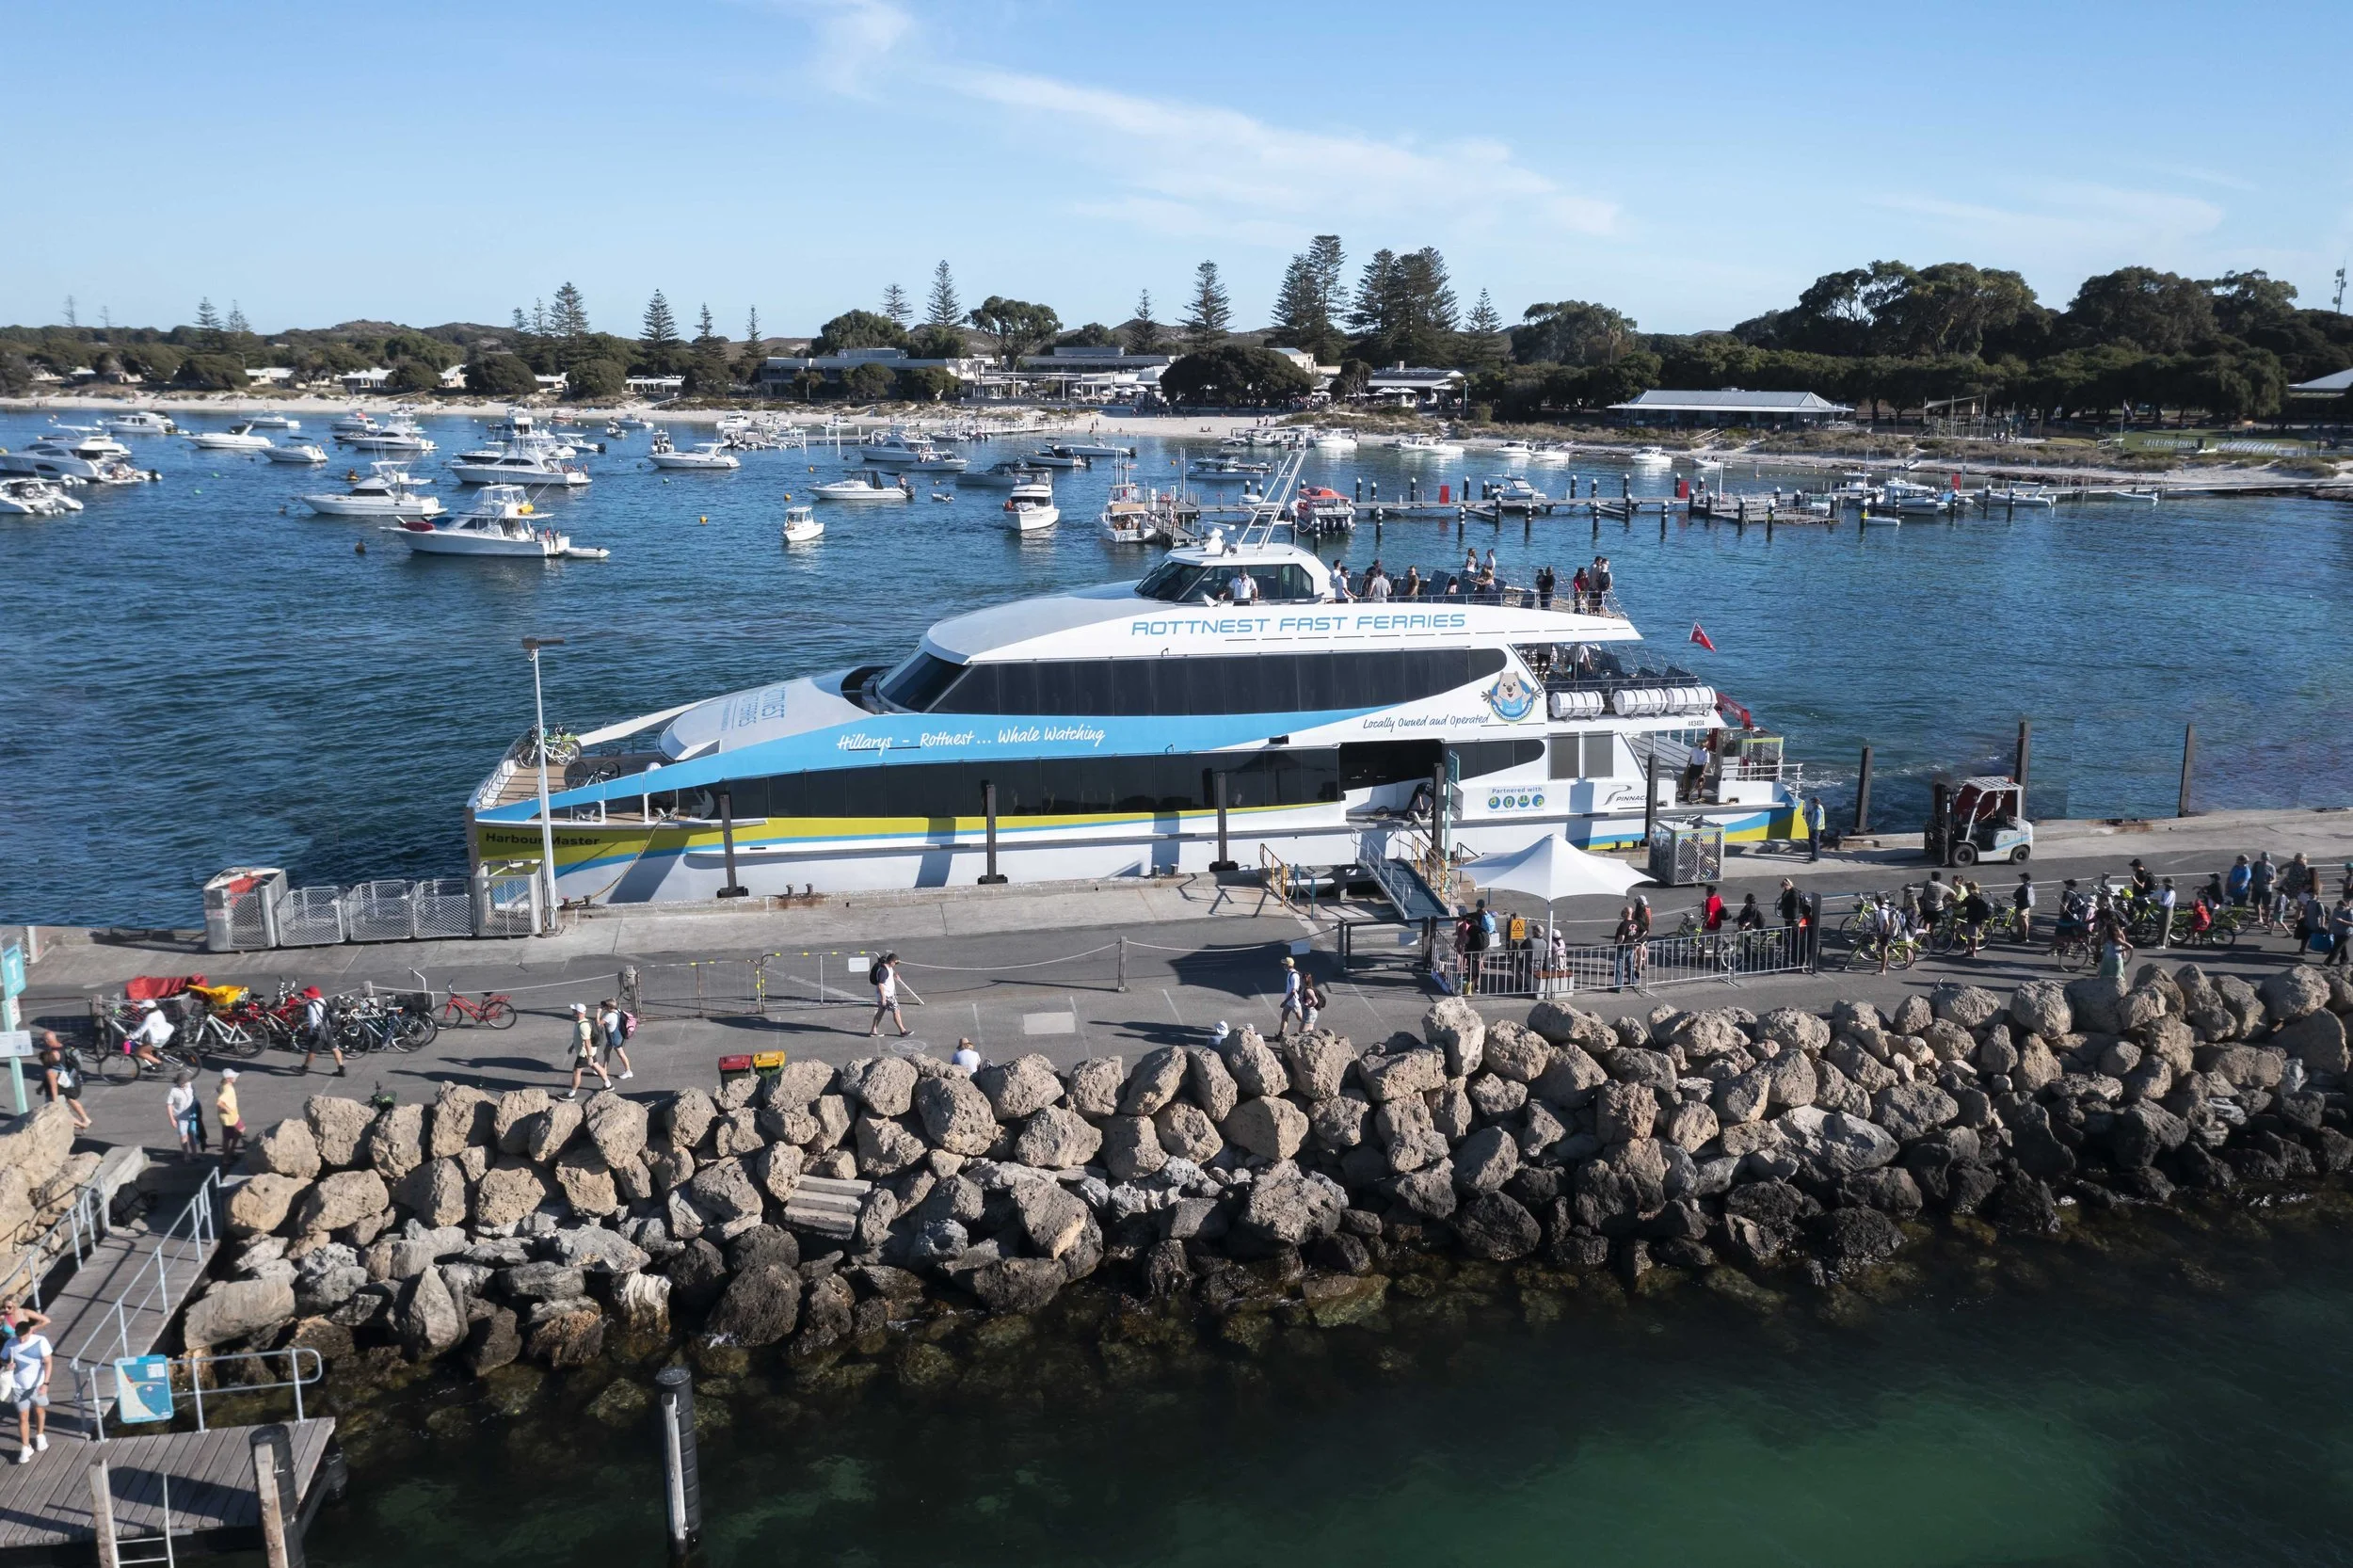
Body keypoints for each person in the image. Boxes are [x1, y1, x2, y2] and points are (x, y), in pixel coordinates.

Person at [7, 1317, 51, 1464]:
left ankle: (40, 1435)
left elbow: (49, 1362)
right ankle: (26, 1447)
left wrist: (46, 1383)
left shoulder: (40, 1341)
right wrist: (8, 1364)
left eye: (23, 1337)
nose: (21, 1340)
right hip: (18, 1386)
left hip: (37, 1385)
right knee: (22, 1417)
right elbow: (3, 1359)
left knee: (39, 1410)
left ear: (29, 1333)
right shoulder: (10, 1343)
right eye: (19, 1337)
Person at [561, 1002, 613, 1101]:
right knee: (596, 1065)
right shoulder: (582, 1022)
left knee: (577, 1071)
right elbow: (579, 1038)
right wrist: (572, 1046)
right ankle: (608, 1085)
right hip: (589, 1052)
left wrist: (589, 1057)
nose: (572, 1012)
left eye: (574, 1010)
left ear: (578, 1012)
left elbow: (587, 1041)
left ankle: (571, 1094)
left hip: (584, 1053)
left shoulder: (583, 1026)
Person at [36, 1035, 88, 1132]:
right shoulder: (58, 1067)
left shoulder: (50, 1072)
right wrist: (41, 1087)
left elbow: (53, 1086)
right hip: (64, 1089)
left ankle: (81, 1124)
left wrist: (55, 1102)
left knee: (62, 1115)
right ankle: (83, 1121)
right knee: (65, 1109)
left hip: (56, 1095)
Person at [299, 985, 344, 1077]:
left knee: (312, 1050)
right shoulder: (322, 1000)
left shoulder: (311, 1005)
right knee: (335, 1048)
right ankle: (341, 1069)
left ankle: (304, 1069)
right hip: (327, 1027)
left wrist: (311, 1032)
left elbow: (313, 1021)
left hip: (319, 1030)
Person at [868, 952, 910, 1039]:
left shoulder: (888, 967)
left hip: (886, 995)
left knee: (880, 1012)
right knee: (896, 1010)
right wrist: (883, 998)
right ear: (891, 962)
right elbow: (880, 984)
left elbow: (889, 976)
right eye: (895, 963)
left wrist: (895, 976)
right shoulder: (883, 971)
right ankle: (903, 1031)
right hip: (887, 996)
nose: (895, 965)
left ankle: (873, 1031)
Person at [126, 1000, 172, 1070]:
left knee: (139, 1052)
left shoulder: (151, 1016)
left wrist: (131, 1036)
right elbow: (144, 1025)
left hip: (158, 1039)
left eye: (144, 1008)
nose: (142, 1009)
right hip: (165, 1033)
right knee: (145, 1047)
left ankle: (159, 1063)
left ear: (148, 1008)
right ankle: (153, 1064)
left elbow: (142, 1029)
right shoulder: (158, 1011)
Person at [597, 999, 635, 1081]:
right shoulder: (617, 1010)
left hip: (614, 1038)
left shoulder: (609, 1015)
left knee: (621, 1054)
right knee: (606, 1052)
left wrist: (598, 1013)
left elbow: (598, 1024)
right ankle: (604, 1069)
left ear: (609, 1007)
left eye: (605, 1005)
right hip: (616, 1036)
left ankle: (628, 1071)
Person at [167, 1071, 202, 1159]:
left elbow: (194, 1098)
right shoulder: (174, 1091)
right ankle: (186, 1156)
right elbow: (169, 1104)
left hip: (192, 1116)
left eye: (186, 1082)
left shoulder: (190, 1085)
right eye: (183, 1083)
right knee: (184, 1136)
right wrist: (172, 1119)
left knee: (192, 1134)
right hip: (181, 1117)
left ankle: (195, 1154)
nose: (185, 1084)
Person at [216, 1068, 246, 1163]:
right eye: (233, 1077)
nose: (235, 1078)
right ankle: (227, 1157)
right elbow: (219, 1102)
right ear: (228, 1079)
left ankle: (230, 1151)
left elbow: (218, 1088)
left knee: (235, 1132)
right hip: (230, 1117)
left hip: (229, 1116)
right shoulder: (228, 1089)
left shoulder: (223, 1084)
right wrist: (228, 1109)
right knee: (233, 1134)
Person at [1958, 878, 1993, 957]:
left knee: (1973, 937)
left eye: (1967, 887)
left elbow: (1960, 905)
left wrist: (1950, 904)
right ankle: (1969, 950)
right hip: (1975, 919)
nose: (1966, 889)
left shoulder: (1972, 897)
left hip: (1976, 920)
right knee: (1970, 936)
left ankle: (1973, 952)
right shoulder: (1980, 895)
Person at [1276, 955, 1307, 1039]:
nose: (1283, 966)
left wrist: (1285, 1001)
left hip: (1293, 1000)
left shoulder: (1294, 976)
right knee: (1284, 1016)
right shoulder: (1291, 973)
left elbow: (1294, 991)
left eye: (1285, 964)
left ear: (1289, 965)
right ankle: (1280, 1035)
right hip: (1290, 1000)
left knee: (1300, 1018)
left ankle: (1308, 1029)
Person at [2250, 851, 2279, 928]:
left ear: (2268, 859)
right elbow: (2252, 874)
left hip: (2266, 889)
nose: (2264, 861)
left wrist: (2270, 881)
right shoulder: (2257, 865)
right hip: (2256, 887)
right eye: (2263, 859)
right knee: (2256, 903)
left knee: (2266, 905)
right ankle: (2259, 918)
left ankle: (2267, 920)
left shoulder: (2271, 867)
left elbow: (2274, 879)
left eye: (2266, 859)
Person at [2012, 872, 2037, 945]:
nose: (2021, 878)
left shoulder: (2023, 887)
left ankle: (2019, 938)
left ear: (2025, 878)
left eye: (2022, 877)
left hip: (2021, 907)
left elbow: (2015, 895)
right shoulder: (2030, 886)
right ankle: (2025, 936)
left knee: (2019, 923)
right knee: (2025, 921)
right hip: (2027, 906)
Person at [2330, 897, 2353, 970]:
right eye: (2338, 906)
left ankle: (2328, 963)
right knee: (2342, 947)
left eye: (2341, 907)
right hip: (2336, 932)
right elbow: (2332, 919)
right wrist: (2329, 929)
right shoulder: (2335, 910)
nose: (2339, 908)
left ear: (2345, 906)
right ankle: (2344, 961)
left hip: (2346, 933)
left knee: (2336, 948)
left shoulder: (2350, 911)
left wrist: (2342, 921)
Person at [2156, 877, 2179, 948]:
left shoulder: (2170, 893)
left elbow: (2165, 902)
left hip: (2167, 910)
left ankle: (2163, 944)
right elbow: (2159, 892)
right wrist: (2151, 894)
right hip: (2163, 909)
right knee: (2162, 926)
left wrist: (2156, 901)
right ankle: (2163, 941)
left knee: (2165, 927)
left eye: (2166, 885)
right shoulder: (2165, 891)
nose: (2165, 886)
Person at [1807, 794, 1827, 861]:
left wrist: (1811, 828)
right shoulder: (1817, 807)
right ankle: (1814, 856)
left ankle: (1815, 857)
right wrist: (1809, 812)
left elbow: (1816, 820)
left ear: (1815, 802)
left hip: (1816, 828)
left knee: (1814, 843)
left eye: (1812, 802)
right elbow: (1812, 812)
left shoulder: (1818, 810)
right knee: (1812, 841)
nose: (1811, 804)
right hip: (1817, 828)